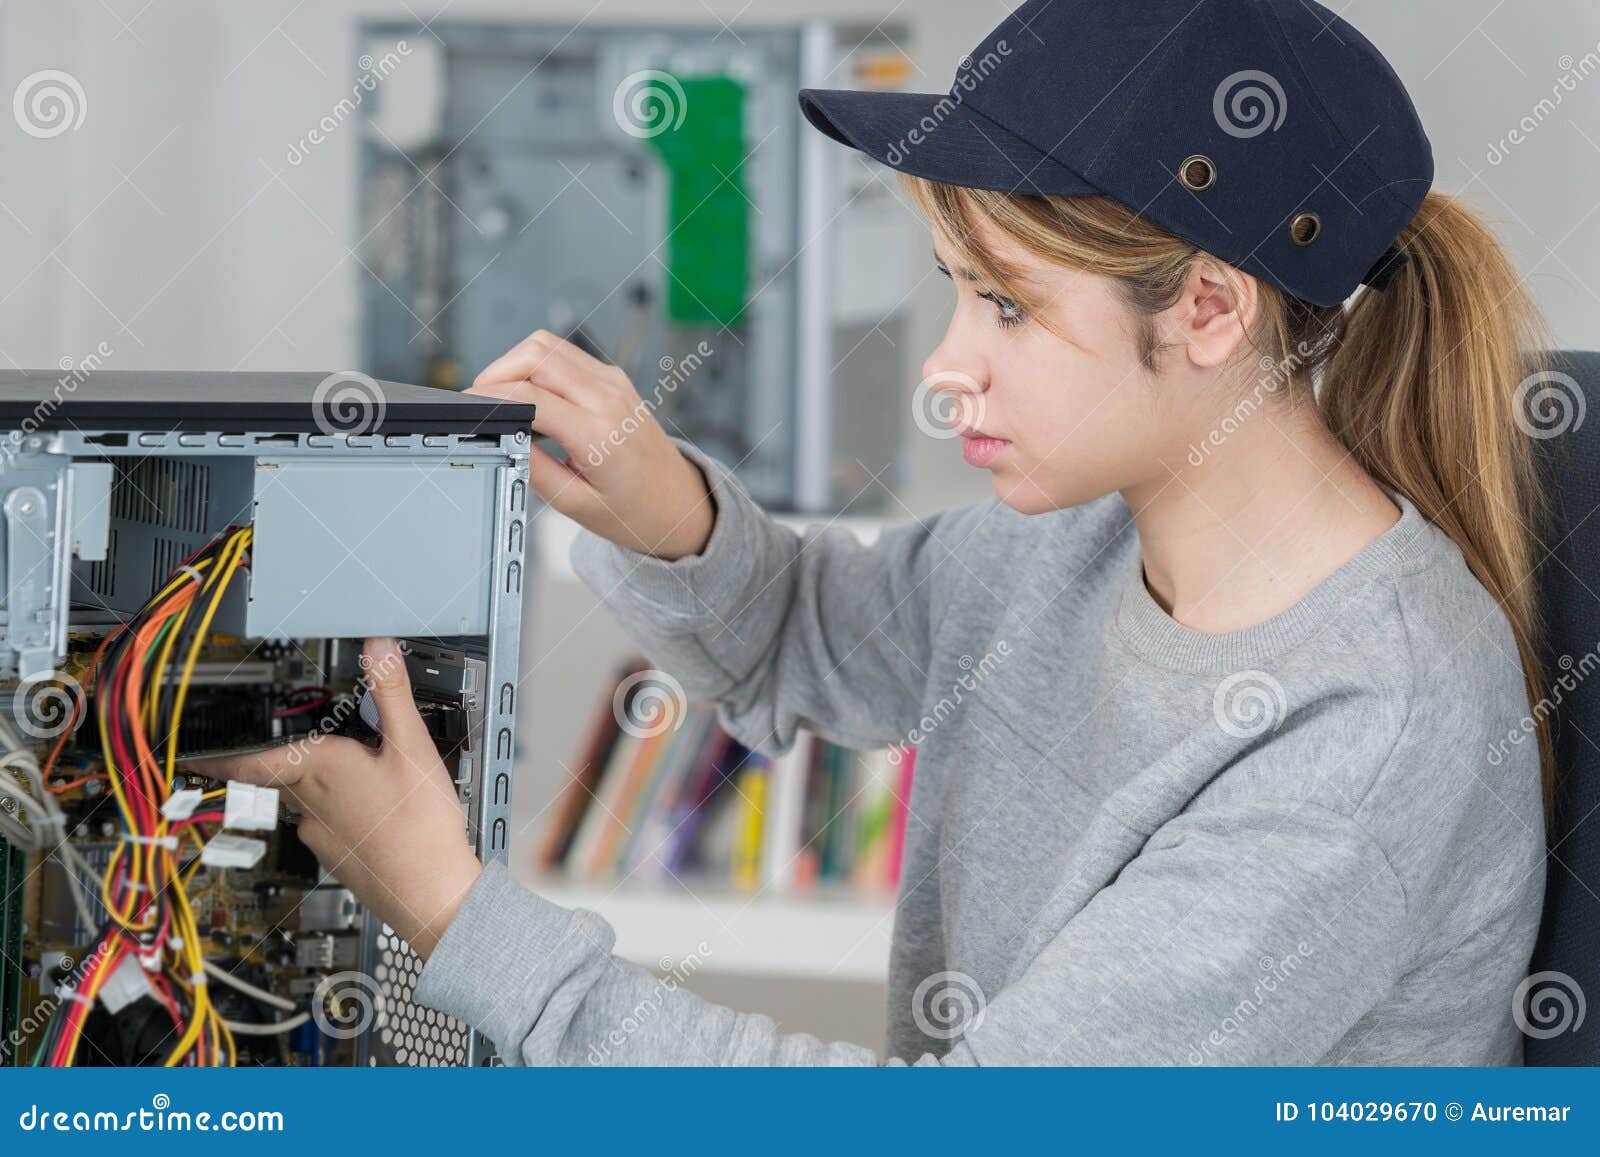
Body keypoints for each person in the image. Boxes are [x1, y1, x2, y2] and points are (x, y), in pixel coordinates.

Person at [209, 0, 1554, 1065]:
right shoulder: (1081, 535)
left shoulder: (1369, 729)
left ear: (1210, 310)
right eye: (955, 292)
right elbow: (811, 634)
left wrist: (453, 914)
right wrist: (664, 508)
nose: (946, 368)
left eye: (1008, 307)